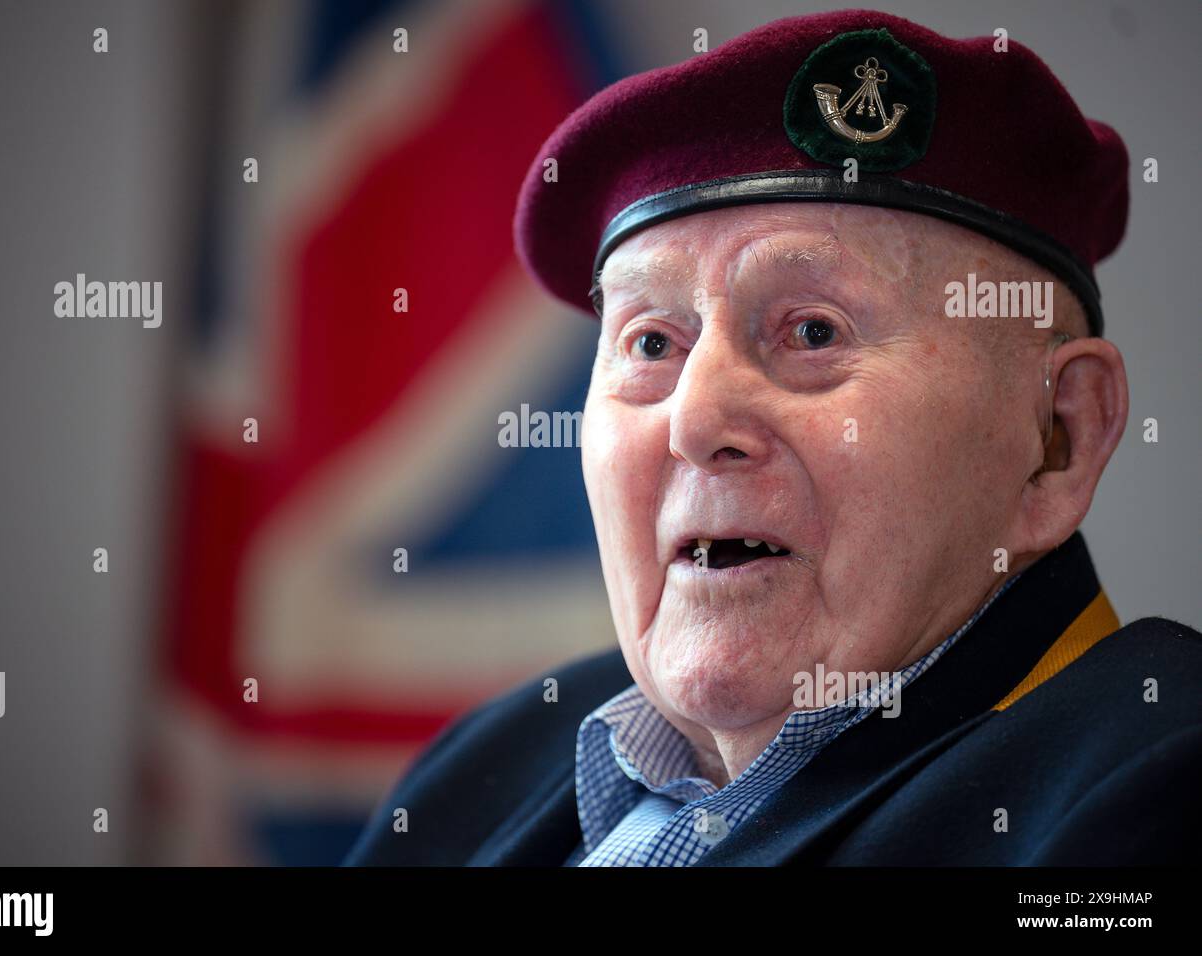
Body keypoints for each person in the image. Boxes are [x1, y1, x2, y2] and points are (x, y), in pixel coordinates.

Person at [343, 9, 1202, 866]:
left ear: (1058, 437)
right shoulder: (473, 771)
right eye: (651, 344)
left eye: (814, 333)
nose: (694, 421)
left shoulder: (1158, 785)